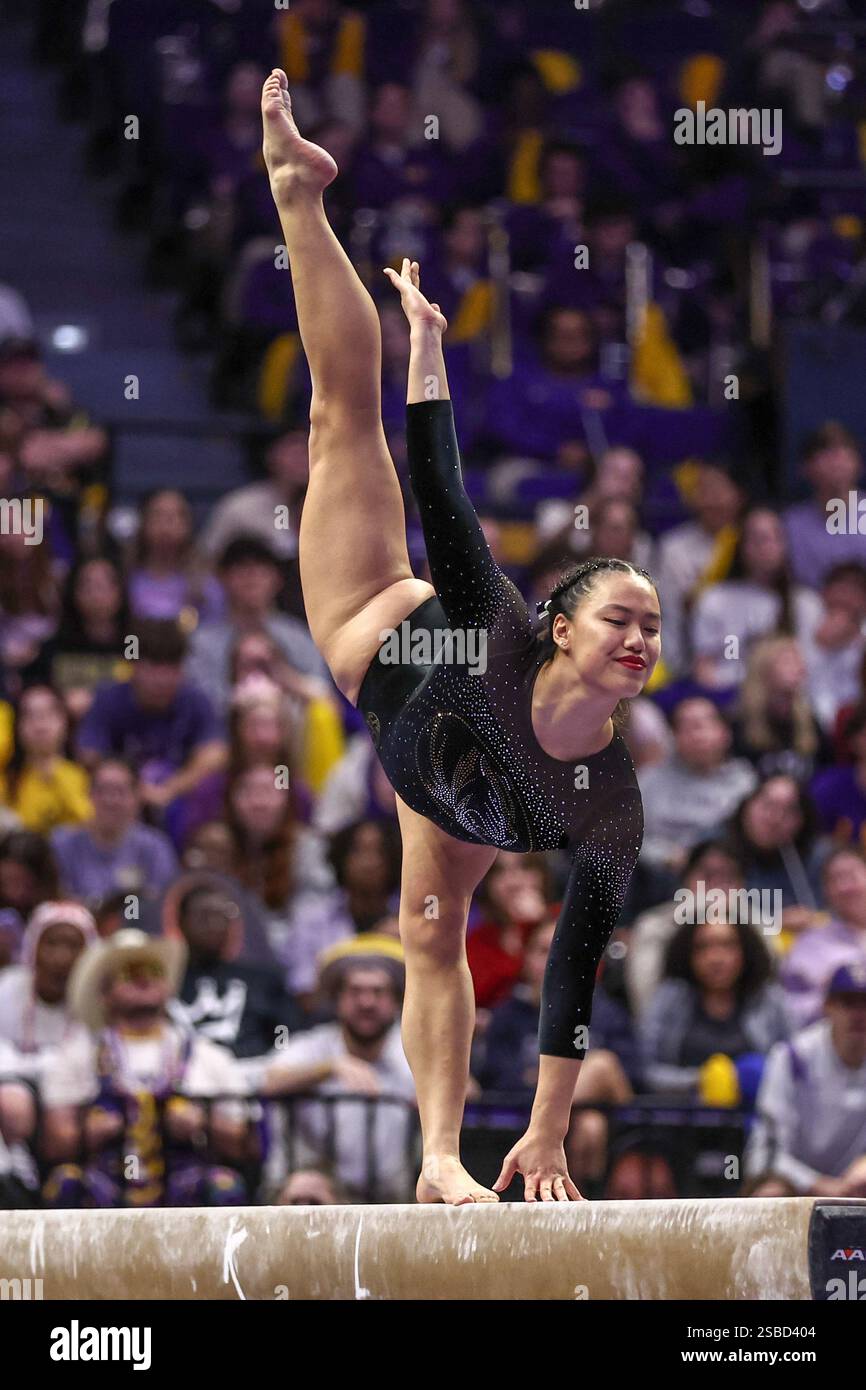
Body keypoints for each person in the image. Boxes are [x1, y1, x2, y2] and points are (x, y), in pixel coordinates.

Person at [260, 70, 659, 1202]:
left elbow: (571, 975)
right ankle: (297, 189)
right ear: (560, 627)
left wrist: (542, 1134)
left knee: (431, 937)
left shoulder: (610, 803)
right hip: (379, 624)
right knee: (348, 405)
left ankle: (441, 1157)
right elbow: (435, 479)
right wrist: (425, 342)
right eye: (619, 618)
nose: (640, 639)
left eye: (653, 628)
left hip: (450, 798)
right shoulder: (493, 623)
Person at [41, 929, 249, 1208]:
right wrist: (88, 1132)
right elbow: (55, 1142)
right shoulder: (78, 1056)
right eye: (129, 973)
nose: (143, 979)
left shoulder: (208, 1056)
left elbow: (245, 1143)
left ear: (167, 987)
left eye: (153, 971)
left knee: (225, 1184)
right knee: (65, 1181)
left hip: (186, 1189)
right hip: (105, 1189)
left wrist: (202, 1124)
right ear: (105, 994)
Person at [259, 942, 416, 1202]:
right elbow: (269, 1081)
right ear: (338, 999)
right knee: (305, 1189)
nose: (366, 1002)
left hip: (391, 1198)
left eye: (378, 992)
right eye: (355, 991)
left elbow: (468, 1090)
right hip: (316, 1191)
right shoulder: (313, 1045)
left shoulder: (411, 1051)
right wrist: (329, 1068)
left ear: (396, 1000)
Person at [76, 619, 227, 822]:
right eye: (153, 666)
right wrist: (137, 789)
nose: (162, 678)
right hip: (120, 802)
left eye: (171, 667)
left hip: (179, 806)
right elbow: (89, 755)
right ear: (133, 665)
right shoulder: (108, 699)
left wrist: (171, 789)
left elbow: (215, 754)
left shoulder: (196, 700)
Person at [744, 961, 866, 1197]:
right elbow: (767, 1155)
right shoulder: (792, 1057)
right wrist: (820, 1185)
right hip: (793, 1182)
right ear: (828, 1006)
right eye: (849, 1003)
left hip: (855, 1184)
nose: (859, 1015)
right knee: (771, 1192)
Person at [640, 918, 789, 1100]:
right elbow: (644, 1070)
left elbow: (792, 1067)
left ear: (745, 951)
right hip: (681, 1115)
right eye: (703, 947)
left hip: (755, 1116)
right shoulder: (670, 997)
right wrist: (701, 1080)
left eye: (727, 945)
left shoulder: (770, 999)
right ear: (688, 955)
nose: (715, 958)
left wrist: (742, 1079)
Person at [169, 879, 303, 1060]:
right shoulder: (167, 981)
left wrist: (280, 1060)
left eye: (222, 916)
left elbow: (287, 1034)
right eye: (204, 916)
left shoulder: (264, 979)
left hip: (252, 1074)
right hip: (182, 1075)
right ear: (181, 922)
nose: (214, 924)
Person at [51, 758, 179, 909]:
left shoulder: (156, 847)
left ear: (137, 796)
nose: (110, 800)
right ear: (89, 795)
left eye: (120, 791)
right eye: (102, 790)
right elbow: (59, 901)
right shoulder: (63, 843)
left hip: (137, 927)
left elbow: (161, 906)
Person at [780, 847, 866, 1029]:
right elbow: (789, 1009)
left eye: (852, 875)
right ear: (826, 892)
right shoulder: (810, 943)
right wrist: (830, 997)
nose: (845, 887)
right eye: (835, 879)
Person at [0, 684, 91, 833]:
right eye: (30, 715)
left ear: (65, 721)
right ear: (17, 727)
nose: (40, 722)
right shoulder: (6, 781)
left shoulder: (82, 777)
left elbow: (92, 828)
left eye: (49, 713)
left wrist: (56, 773)